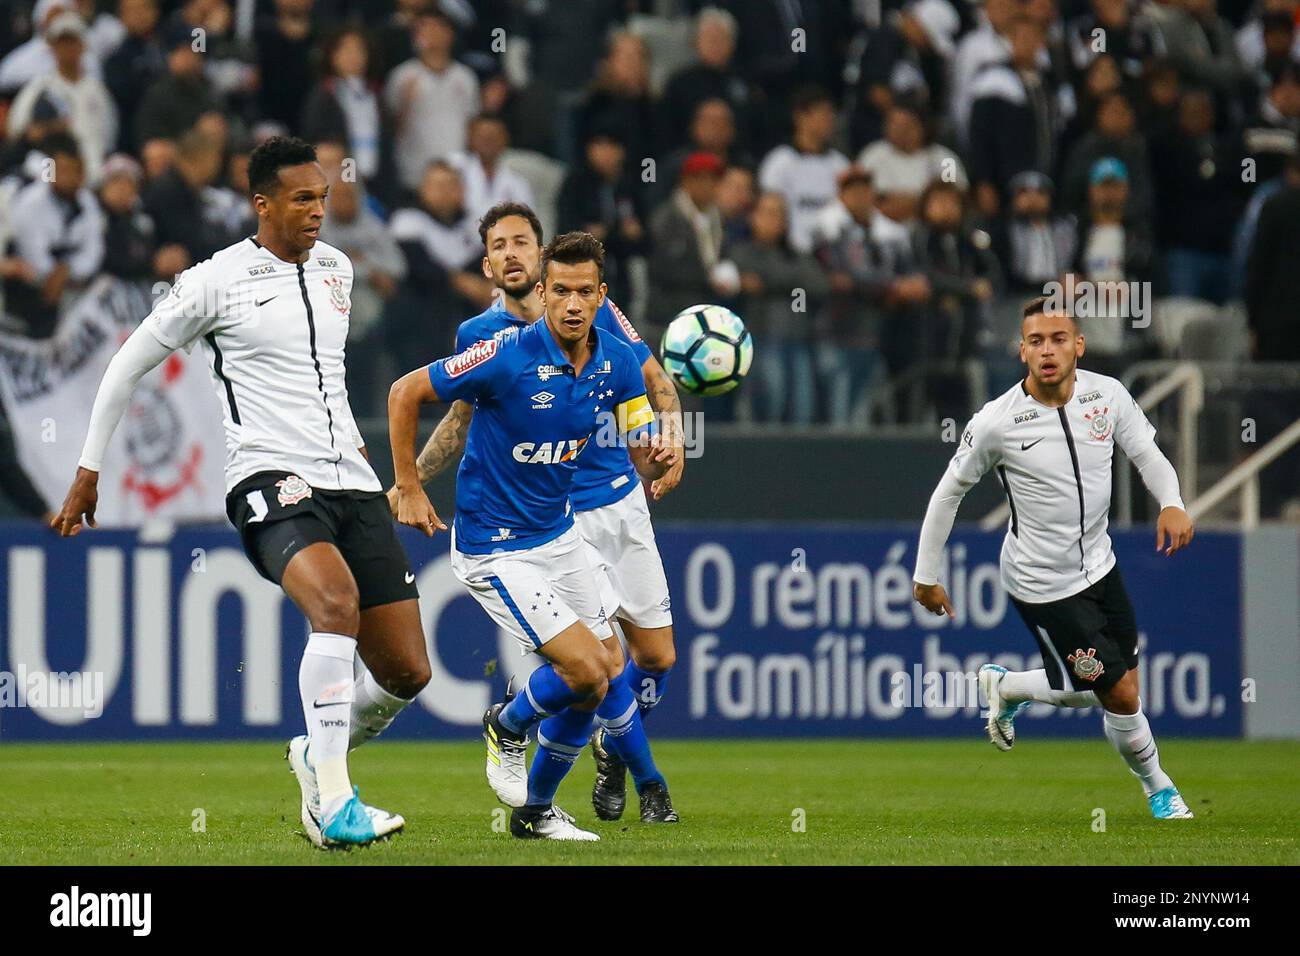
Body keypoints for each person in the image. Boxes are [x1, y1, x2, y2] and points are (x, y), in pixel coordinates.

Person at [50, 136, 431, 849]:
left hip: (351, 481)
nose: (319, 211)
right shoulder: (215, 281)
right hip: (267, 475)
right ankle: (336, 803)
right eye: (302, 199)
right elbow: (127, 364)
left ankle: (314, 756)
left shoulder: (338, 270)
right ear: (263, 204)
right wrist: (88, 467)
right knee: (335, 603)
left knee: (408, 669)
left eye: (322, 198)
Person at [391, 203, 685, 826]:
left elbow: (639, 443)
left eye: (585, 292)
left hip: (563, 530)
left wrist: (659, 455)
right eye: (562, 292)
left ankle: (538, 810)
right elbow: (411, 395)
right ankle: (510, 725)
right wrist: (409, 484)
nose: (573, 304)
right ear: (542, 291)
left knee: (609, 673)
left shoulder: (618, 360)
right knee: (584, 667)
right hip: (497, 542)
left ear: (601, 296)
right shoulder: (498, 349)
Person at [912, 297, 1197, 822]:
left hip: (1101, 566)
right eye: (1036, 341)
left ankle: (1009, 686)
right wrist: (925, 575)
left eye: (1059, 339)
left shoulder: (1106, 396)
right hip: (1041, 582)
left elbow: (1147, 454)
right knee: (1117, 691)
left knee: (1113, 686)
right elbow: (947, 493)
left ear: (1078, 346)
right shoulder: (996, 423)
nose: (1048, 350)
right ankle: (1160, 789)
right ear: (1021, 351)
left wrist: (1173, 502)